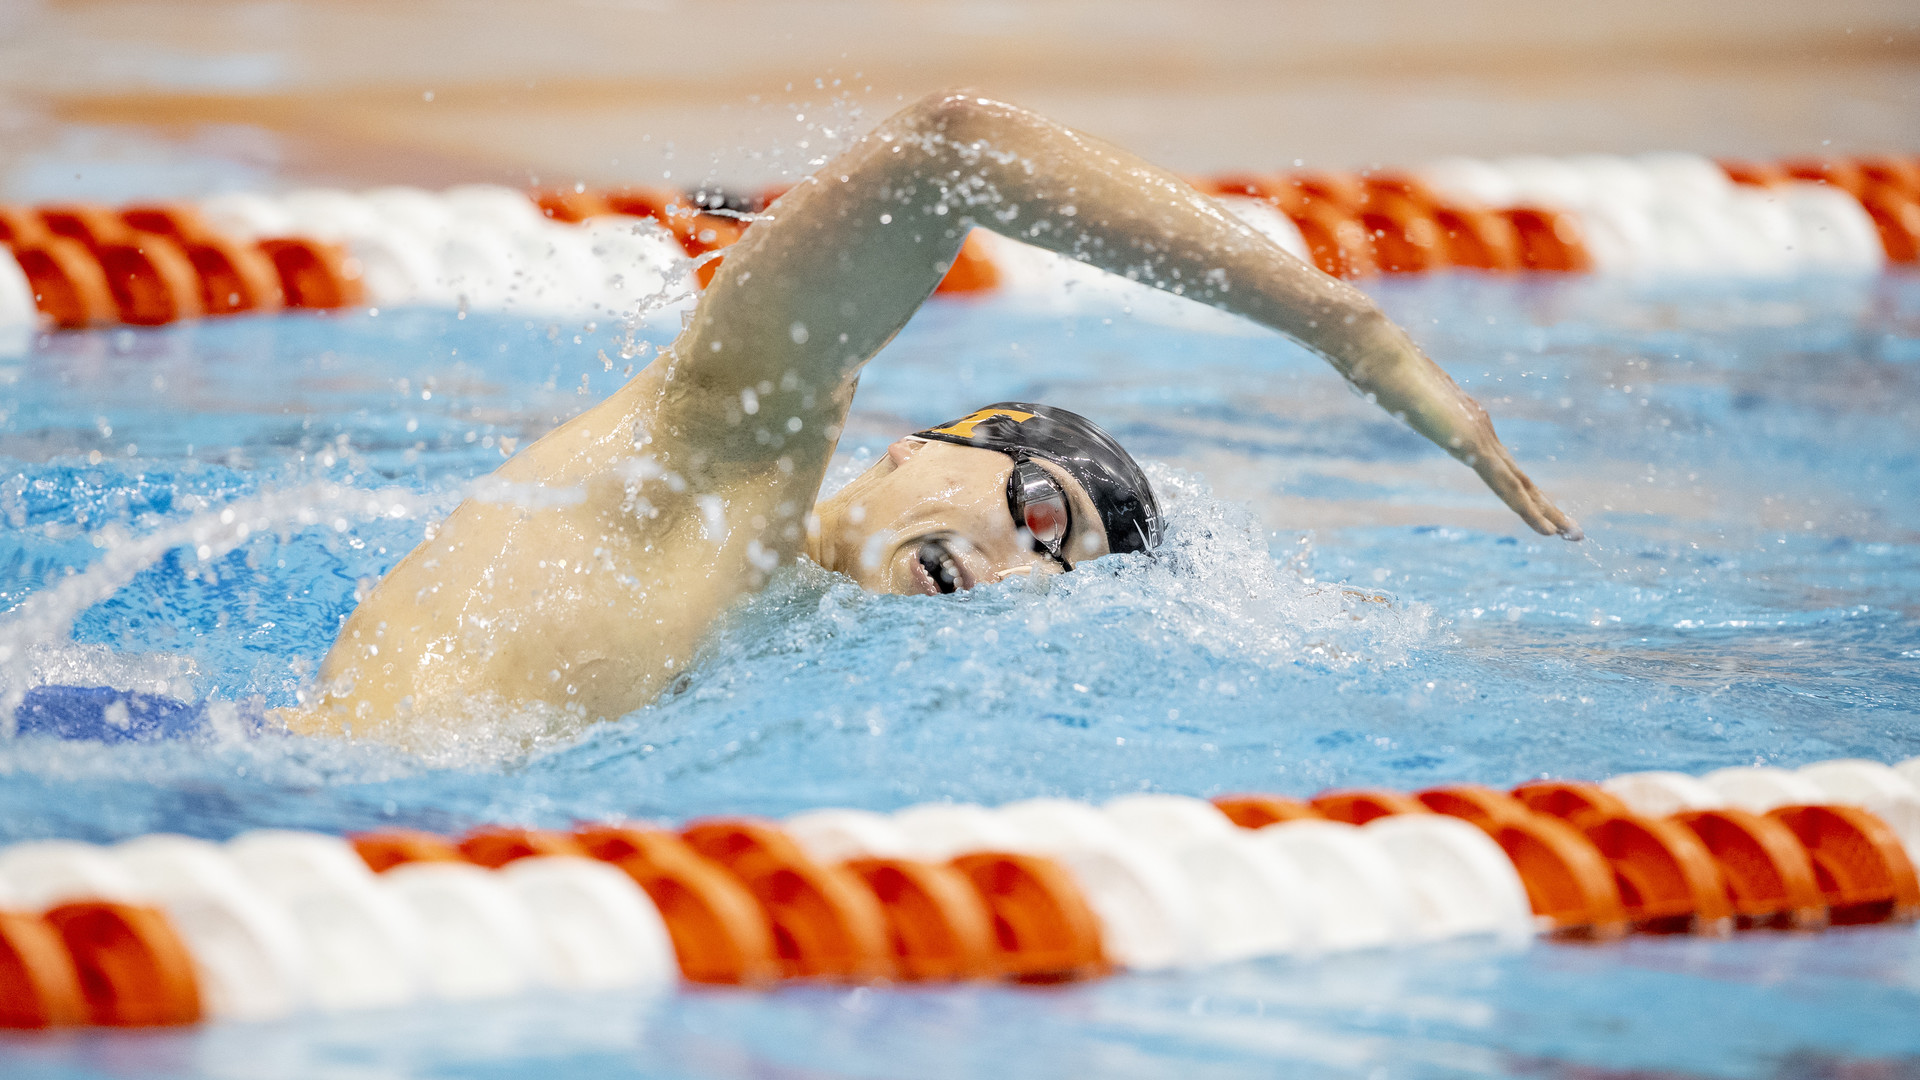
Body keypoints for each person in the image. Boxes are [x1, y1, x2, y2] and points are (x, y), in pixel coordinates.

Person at [289, 90, 1580, 741]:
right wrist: (1345, 328)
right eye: (1035, 510)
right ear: (926, 442)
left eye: (1051, 568)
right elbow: (946, 146)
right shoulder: (730, 443)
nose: (1015, 565)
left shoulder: (778, 624)